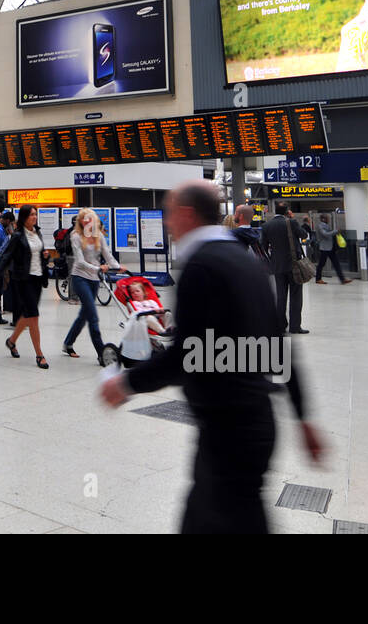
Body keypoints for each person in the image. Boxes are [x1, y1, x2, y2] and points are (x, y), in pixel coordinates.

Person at [100, 181, 325, 533]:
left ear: (187, 215)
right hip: (255, 424)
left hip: (227, 431)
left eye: (170, 214)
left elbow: (185, 355)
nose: (168, 224)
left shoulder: (201, 266)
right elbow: (277, 344)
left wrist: (127, 383)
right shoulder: (246, 260)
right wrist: (303, 416)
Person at [63, 207, 122, 365]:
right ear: (80, 221)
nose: (86, 221)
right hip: (79, 277)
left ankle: (68, 343)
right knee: (93, 315)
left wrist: (118, 266)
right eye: (83, 218)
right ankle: (101, 352)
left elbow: (107, 255)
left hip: (94, 278)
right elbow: (80, 262)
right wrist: (98, 268)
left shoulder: (99, 236)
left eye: (89, 218)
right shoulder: (75, 236)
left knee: (84, 315)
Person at [0, 206, 50, 368]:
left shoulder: (38, 232)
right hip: (23, 279)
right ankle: (39, 354)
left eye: (35, 214)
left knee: (28, 315)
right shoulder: (17, 235)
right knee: (34, 316)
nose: (34, 217)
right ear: (23, 218)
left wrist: (45, 256)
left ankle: (11, 341)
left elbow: (38, 253)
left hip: (37, 278)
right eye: (31, 215)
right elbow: (6, 256)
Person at [262, 202, 307, 334]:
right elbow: (303, 235)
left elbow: (263, 248)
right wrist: (293, 218)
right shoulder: (291, 223)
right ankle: (295, 326)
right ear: (287, 211)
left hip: (277, 266)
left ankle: (280, 326)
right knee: (296, 295)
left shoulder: (266, 226)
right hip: (294, 265)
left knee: (281, 296)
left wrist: (271, 262)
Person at [313, 214, 351, 285]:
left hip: (330, 248)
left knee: (336, 264)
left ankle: (342, 279)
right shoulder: (320, 226)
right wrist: (335, 231)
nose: (329, 220)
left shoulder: (326, 225)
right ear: (323, 219)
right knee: (321, 264)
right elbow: (325, 234)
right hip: (324, 248)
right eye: (327, 218)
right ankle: (318, 279)